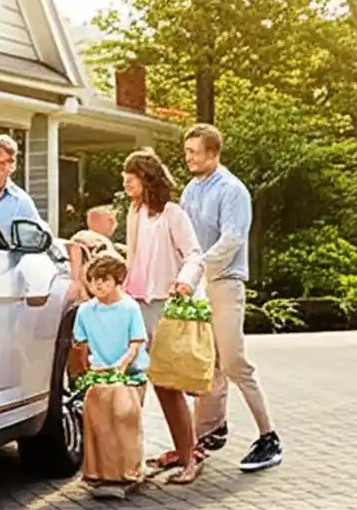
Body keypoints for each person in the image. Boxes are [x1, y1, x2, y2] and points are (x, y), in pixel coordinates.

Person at [180, 124, 282, 472]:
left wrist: (196, 268)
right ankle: (209, 431)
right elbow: (185, 238)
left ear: (213, 152)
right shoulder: (190, 190)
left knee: (234, 362)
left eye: (195, 151)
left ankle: (269, 437)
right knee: (206, 361)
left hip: (224, 283)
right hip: (195, 285)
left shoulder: (232, 190)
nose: (189, 157)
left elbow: (232, 239)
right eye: (187, 151)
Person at [120, 148, 205, 485]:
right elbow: (133, 260)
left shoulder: (172, 214)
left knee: (168, 387)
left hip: (163, 306)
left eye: (133, 175)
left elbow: (195, 255)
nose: (126, 181)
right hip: (135, 305)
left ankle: (188, 459)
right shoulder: (134, 212)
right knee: (133, 384)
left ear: (148, 178)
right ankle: (126, 461)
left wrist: (183, 283)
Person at [73, 252, 149, 499]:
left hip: (129, 373)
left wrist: (122, 365)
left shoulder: (129, 307)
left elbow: (136, 342)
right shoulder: (85, 311)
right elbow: (81, 346)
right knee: (96, 411)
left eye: (104, 280)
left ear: (118, 281)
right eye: (93, 280)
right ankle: (100, 472)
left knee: (122, 411)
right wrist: (85, 371)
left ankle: (129, 471)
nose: (97, 285)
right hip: (100, 374)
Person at [67, 205, 119, 300]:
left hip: (76, 284)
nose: (115, 224)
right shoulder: (101, 242)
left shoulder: (78, 236)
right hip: (96, 288)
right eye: (111, 220)